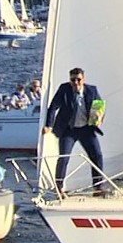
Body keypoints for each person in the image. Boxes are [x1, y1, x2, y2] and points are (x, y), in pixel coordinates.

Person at [43, 67, 105, 195]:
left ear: (83, 79)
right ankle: (59, 187)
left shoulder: (91, 90)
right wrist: (48, 125)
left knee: (97, 155)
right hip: (68, 130)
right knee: (64, 157)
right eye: (73, 80)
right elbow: (53, 107)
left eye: (78, 80)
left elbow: (99, 107)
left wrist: (98, 119)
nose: (76, 83)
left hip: (86, 129)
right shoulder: (64, 90)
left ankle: (98, 186)